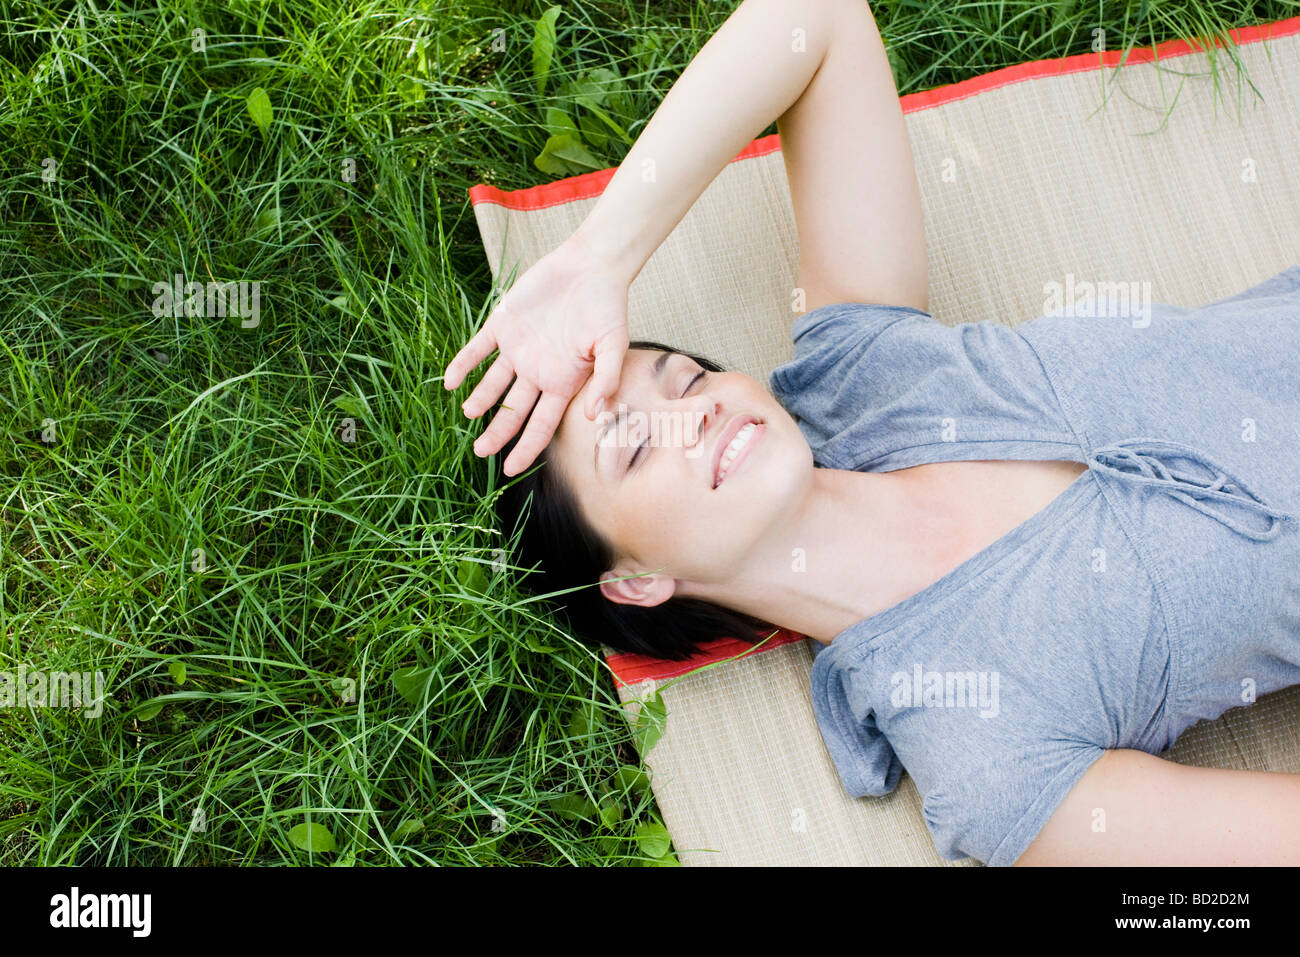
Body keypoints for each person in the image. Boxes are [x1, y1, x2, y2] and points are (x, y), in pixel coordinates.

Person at [442, 0, 1300, 865]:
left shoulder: (863, 370)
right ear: (635, 580)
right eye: (636, 445)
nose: (695, 407)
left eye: (688, 375)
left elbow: (815, 20)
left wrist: (601, 257)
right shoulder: (986, 752)